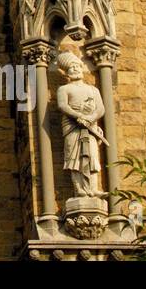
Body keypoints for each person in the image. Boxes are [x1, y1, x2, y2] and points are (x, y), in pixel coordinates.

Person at [55, 51, 105, 197]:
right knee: (75, 157)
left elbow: (100, 108)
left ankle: (93, 188)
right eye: (72, 68)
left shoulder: (92, 89)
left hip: (90, 126)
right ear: (67, 73)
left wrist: (90, 118)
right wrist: (79, 116)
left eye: (77, 66)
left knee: (92, 156)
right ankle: (79, 189)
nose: (75, 69)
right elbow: (63, 106)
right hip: (73, 127)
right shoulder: (64, 89)